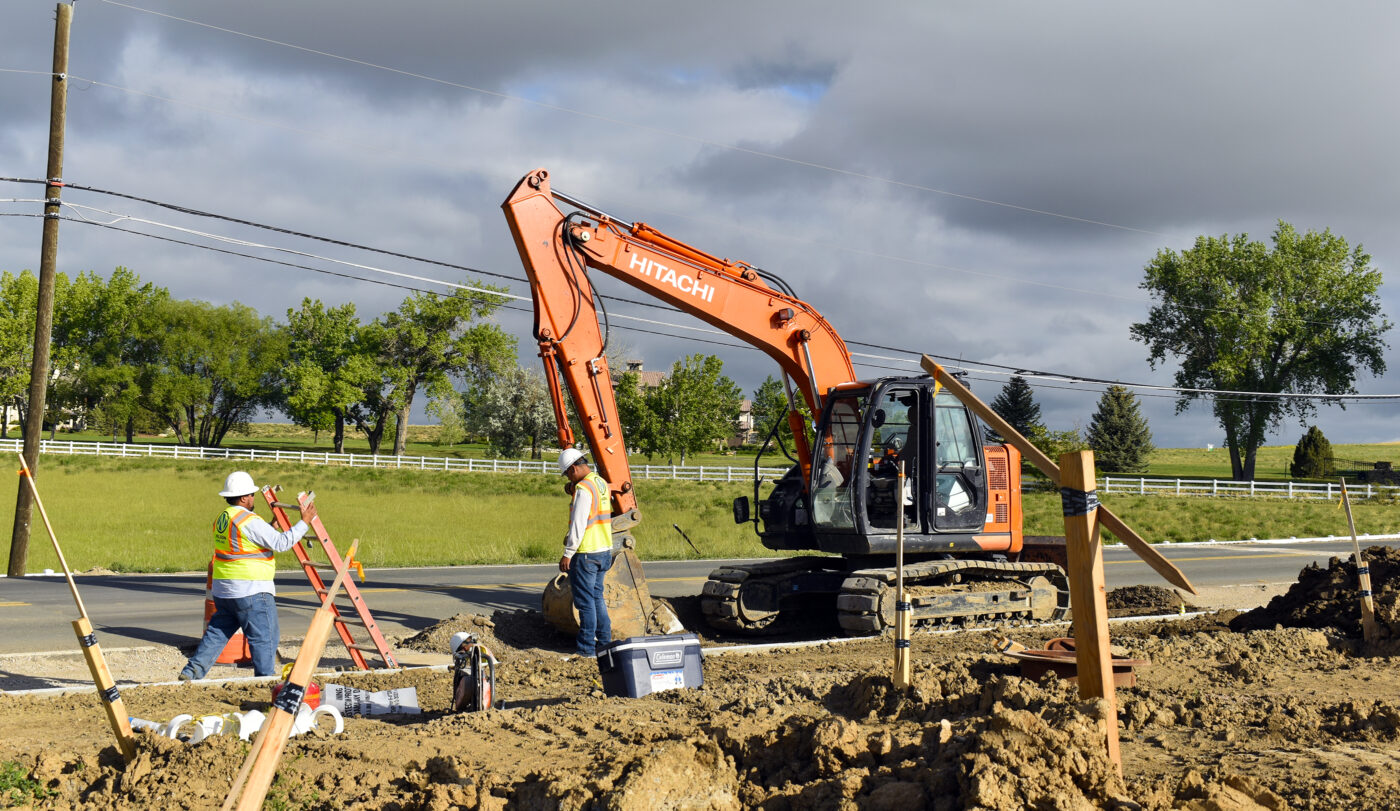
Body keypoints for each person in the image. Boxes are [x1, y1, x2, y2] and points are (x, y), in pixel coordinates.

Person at [179, 471, 317, 681]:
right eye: (251, 495)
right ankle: (264, 682)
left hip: (224, 591)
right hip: (251, 590)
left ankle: (191, 673)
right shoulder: (248, 519)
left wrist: (269, 529)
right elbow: (282, 543)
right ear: (243, 497)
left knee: (217, 634)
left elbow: (245, 545)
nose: (254, 498)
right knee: (265, 638)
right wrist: (304, 521)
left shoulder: (223, 518)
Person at [557, 448, 613, 657]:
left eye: (567, 473)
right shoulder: (599, 483)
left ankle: (586, 649)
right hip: (604, 550)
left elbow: (579, 523)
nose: (568, 478)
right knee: (597, 599)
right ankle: (605, 645)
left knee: (585, 603)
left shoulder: (583, 488)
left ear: (573, 468)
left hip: (586, 552)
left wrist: (568, 553)